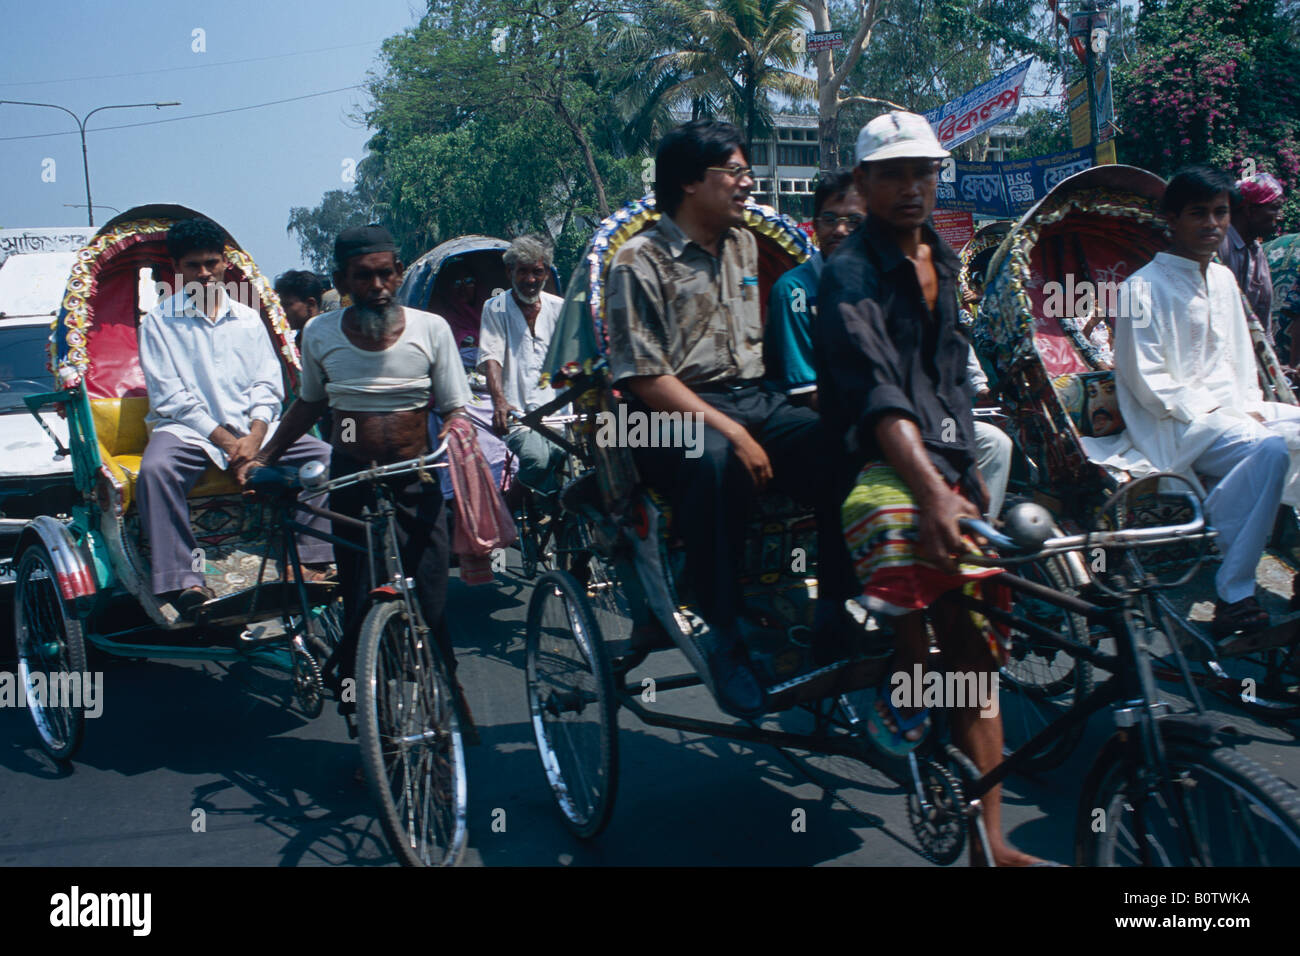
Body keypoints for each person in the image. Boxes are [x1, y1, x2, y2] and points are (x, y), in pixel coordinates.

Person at [816, 110, 1038, 866]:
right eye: (895, 174)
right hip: (868, 464)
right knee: (910, 537)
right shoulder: (846, 273)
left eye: (925, 172)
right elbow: (881, 394)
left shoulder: (943, 256)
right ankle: (906, 674)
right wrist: (936, 492)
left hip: (943, 461)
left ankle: (993, 844)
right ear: (865, 183)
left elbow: (948, 389)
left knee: (975, 655)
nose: (913, 187)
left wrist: (962, 482)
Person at [605, 119, 832, 719]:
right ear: (688, 182)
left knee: (840, 442)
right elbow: (643, 377)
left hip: (749, 397)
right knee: (713, 458)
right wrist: (732, 430)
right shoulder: (638, 260)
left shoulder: (742, 244)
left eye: (745, 172)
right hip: (658, 412)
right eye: (733, 172)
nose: (745, 183)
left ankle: (839, 600)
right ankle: (723, 627)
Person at [244, 224, 472, 705]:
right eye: (364, 277)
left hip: (417, 475)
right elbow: (308, 404)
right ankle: (363, 700)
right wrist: (264, 458)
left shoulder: (432, 330)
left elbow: (454, 407)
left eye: (386, 274)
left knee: (431, 597)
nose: (378, 287)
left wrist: (456, 431)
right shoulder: (320, 333)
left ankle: (441, 686)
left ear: (399, 273)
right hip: (351, 478)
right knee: (360, 596)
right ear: (342, 281)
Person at [1114, 166, 1300, 637]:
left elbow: (1240, 362)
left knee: (1285, 437)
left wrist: (1250, 407)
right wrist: (1217, 414)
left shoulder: (1221, 280)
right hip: (1176, 423)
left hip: (1237, 412)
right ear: (1171, 219)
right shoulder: (1140, 286)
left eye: (1220, 213)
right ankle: (1234, 593)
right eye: (1199, 213)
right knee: (1271, 449)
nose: (1213, 224)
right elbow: (1146, 380)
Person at [136, 218, 333, 617]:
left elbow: (267, 386)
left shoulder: (247, 318)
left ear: (225, 263)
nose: (205, 274)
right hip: (189, 432)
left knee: (325, 457)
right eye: (194, 266)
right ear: (178, 269)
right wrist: (232, 446)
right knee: (156, 470)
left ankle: (312, 560)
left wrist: (255, 440)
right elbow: (172, 398)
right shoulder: (158, 322)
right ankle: (185, 579)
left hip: (255, 432)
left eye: (212, 263)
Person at [764, 169, 866, 408]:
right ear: (816, 225)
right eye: (830, 219)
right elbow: (805, 391)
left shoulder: (878, 283)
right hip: (807, 410)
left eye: (854, 221)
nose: (840, 230)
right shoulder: (796, 291)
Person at [479, 235, 567, 497]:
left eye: (537, 272)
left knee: (567, 466)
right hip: (518, 415)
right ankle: (507, 509)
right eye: (523, 272)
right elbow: (491, 357)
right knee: (536, 460)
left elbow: (573, 357)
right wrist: (499, 401)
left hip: (559, 412)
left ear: (547, 273)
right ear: (510, 273)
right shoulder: (495, 308)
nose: (530, 280)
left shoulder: (559, 307)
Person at [1218, 172, 1285, 347]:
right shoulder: (1221, 245)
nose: (1280, 216)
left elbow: (1263, 321)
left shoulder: (1257, 252)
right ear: (1249, 210)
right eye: (1274, 208)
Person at [274, 270, 325, 337]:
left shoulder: (328, 335)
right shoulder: (299, 341)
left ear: (310, 304)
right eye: (281, 306)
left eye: (287, 305)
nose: (282, 311)